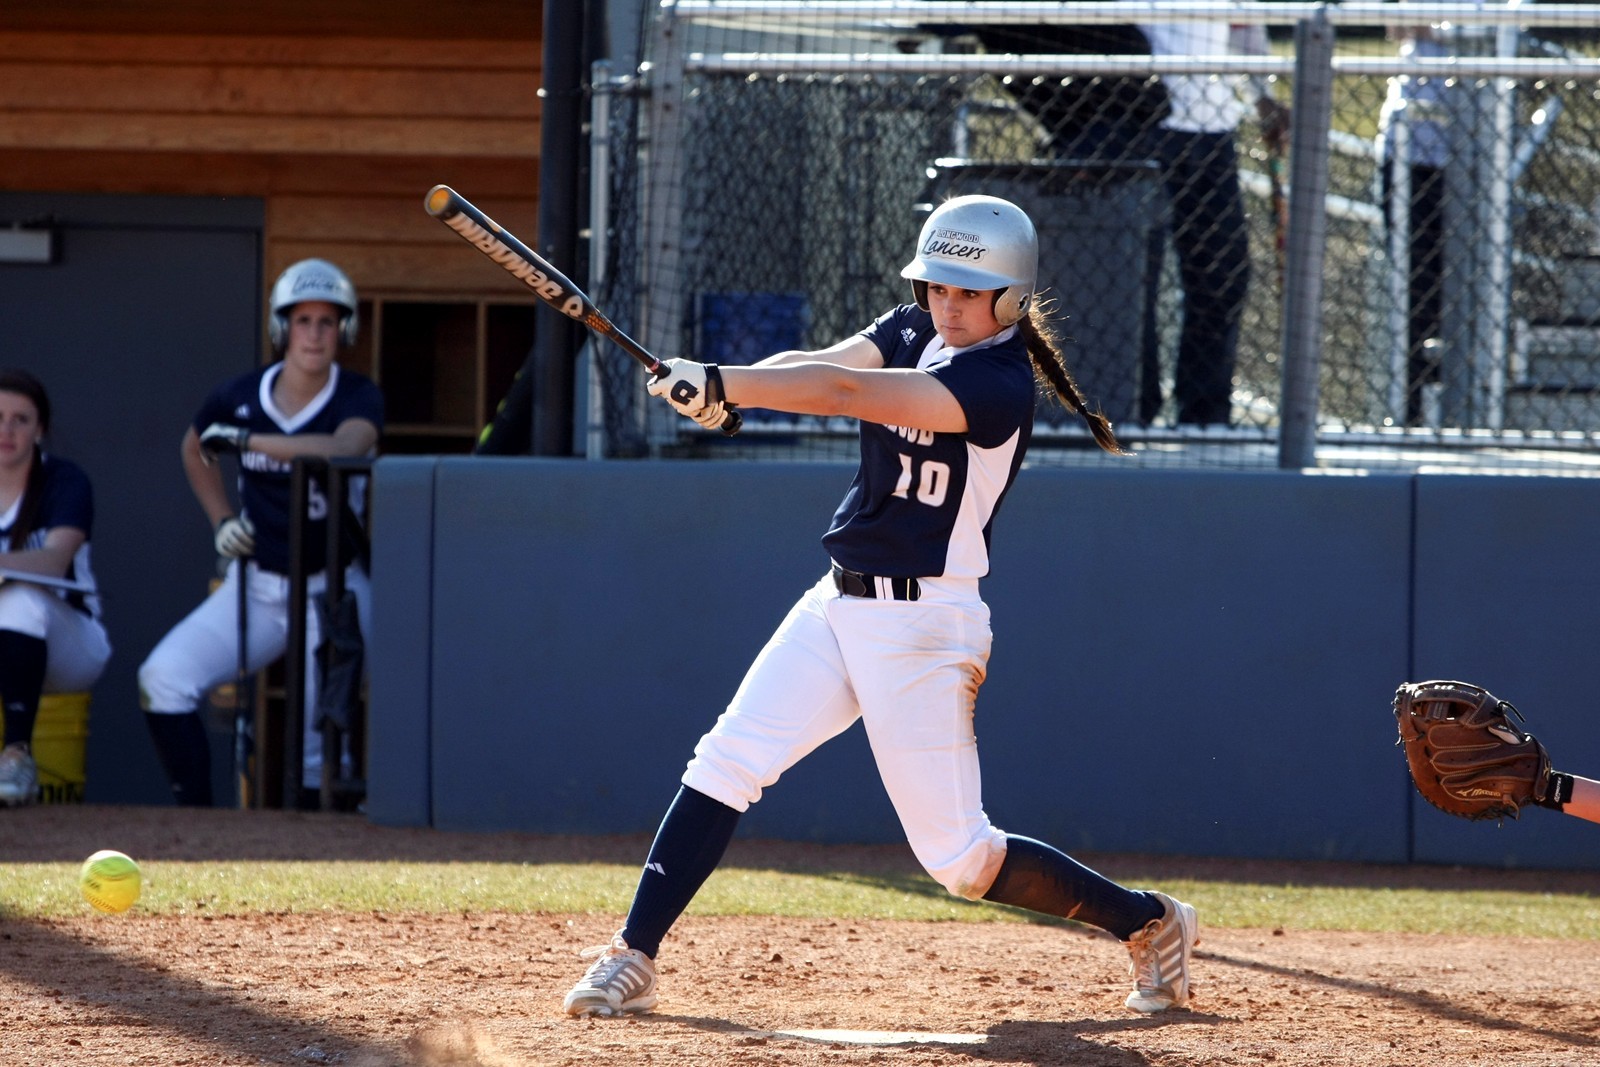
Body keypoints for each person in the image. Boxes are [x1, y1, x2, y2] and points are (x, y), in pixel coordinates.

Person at [561, 195, 1201, 1020]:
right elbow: (822, 359)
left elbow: (841, 391)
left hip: (928, 627)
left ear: (1010, 299)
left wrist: (723, 378)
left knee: (962, 859)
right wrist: (733, 396)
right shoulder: (913, 324)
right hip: (839, 603)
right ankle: (632, 954)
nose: (947, 304)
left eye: (969, 293)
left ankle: (1149, 920)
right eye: (938, 286)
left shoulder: (998, 383)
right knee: (725, 760)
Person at [138, 259, 383, 807]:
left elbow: (346, 448)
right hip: (259, 582)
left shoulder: (357, 395)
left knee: (325, 746)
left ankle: (343, 862)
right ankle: (199, 825)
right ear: (281, 328)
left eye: (327, 321)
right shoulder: (240, 393)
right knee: (163, 678)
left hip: (334, 587)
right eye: (303, 321)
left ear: (345, 329)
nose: (315, 334)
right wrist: (222, 518)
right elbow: (193, 447)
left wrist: (250, 442)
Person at [971, 6, 1288, 426]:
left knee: (1222, 276)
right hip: (1135, 126)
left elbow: (1245, 27)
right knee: (1133, 280)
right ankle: (1132, 412)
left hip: (1214, 134)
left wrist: (1261, 95)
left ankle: (1205, 419)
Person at [0, 370, 112, 807]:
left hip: (71, 644)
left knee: (20, 599)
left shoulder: (64, 480)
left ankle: (17, 755)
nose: (6, 430)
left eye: (20, 419)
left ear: (40, 428)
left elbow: (52, 561)